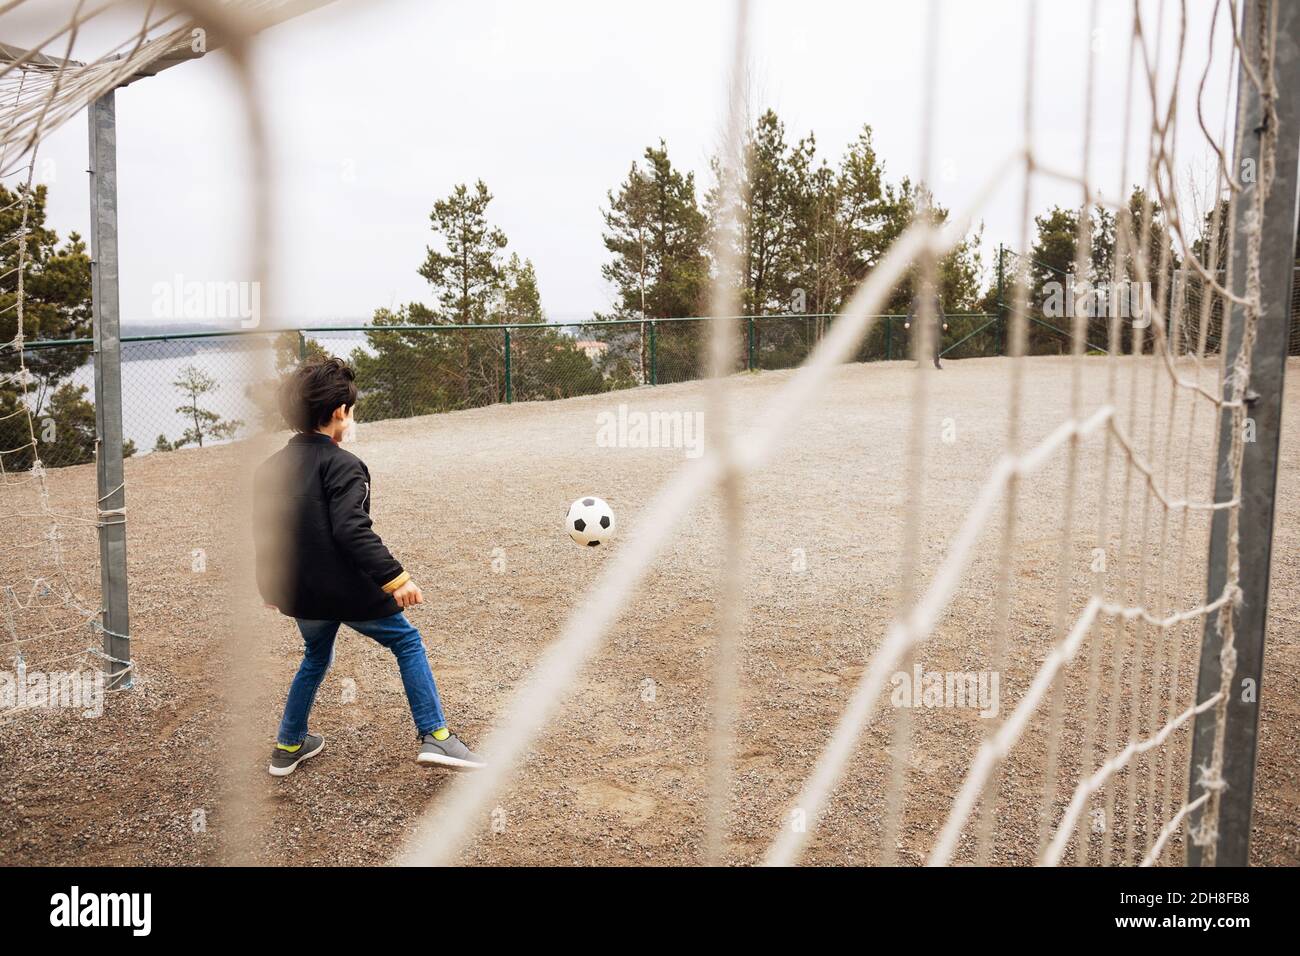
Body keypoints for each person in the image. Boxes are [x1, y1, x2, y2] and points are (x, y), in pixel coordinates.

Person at [253, 356, 484, 776]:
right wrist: (397, 579)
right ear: (340, 412)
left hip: (299, 593)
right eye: (351, 408)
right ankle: (437, 736)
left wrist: (270, 588)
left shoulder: (268, 469)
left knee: (315, 656)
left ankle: (288, 744)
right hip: (346, 590)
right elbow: (351, 531)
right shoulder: (345, 464)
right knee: (407, 642)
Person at [905, 289, 948, 369]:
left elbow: (940, 310)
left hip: (933, 325)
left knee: (935, 345)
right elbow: (911, 310)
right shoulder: (917, 299)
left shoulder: (935, 298)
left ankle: (937, 364)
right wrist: (907, 321)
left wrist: (944, 322)